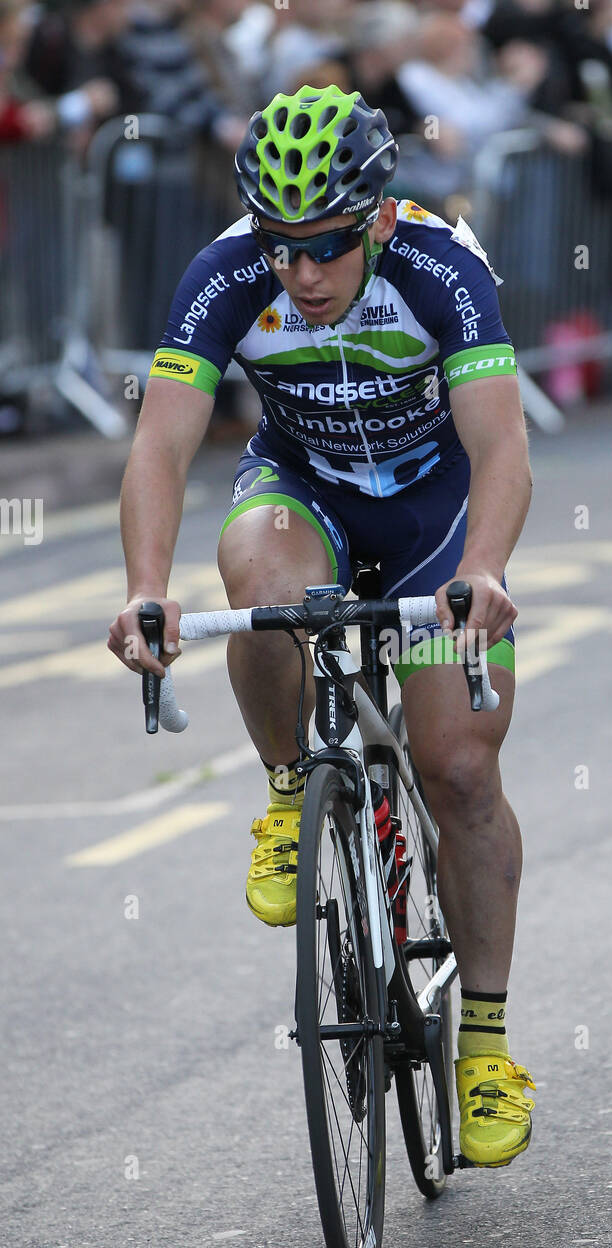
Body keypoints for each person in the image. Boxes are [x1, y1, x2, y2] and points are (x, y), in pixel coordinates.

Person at [108, 84, 537, 1170]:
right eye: (280, 244)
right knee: (252, 575)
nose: (299, 274)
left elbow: (501, 452)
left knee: (459, 772)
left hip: (437, 524)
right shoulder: (227, 277)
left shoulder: (443, 271)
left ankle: (482, 1045)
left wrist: (482, 570)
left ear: (378, 221)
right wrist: (143, 587)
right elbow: (160, 447)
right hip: (306, 497)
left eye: (326, 247)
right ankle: (292, 790)